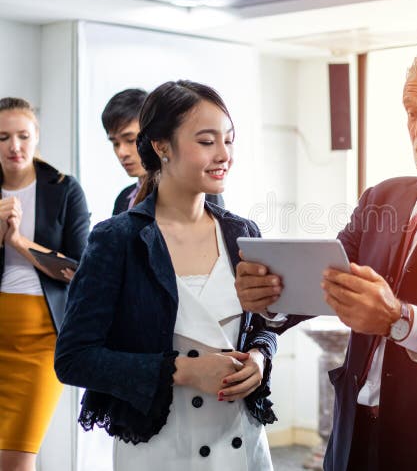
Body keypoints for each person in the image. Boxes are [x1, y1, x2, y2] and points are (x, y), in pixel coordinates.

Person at [236, 47, 417, 471]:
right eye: (411, 113)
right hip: (355, 429)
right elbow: (328, 277)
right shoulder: (382, 196)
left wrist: (400, 319)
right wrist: (272, 295)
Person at [55, 81, 277, 470]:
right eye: (207, 141)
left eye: (229, 140)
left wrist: (260, 357)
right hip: (161, 448)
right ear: (162, 146)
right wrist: (184, 370)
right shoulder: (117, 238)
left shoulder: (242, 233)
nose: (224, 154)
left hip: (242, 445)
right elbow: (74, 358)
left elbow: (264, 325)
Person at [0, 97, 90, 471]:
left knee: (17, 458)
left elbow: (78, 268)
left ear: (36, 136)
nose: (14, 146)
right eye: (3, 137)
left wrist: (18, 241)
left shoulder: (65, 189)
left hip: (43, 340)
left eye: (23, 135)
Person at [101, 88, 223, 216]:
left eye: (130, 140)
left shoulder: (200, 192)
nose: (122, 152)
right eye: (115, 143)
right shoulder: (123, 198)